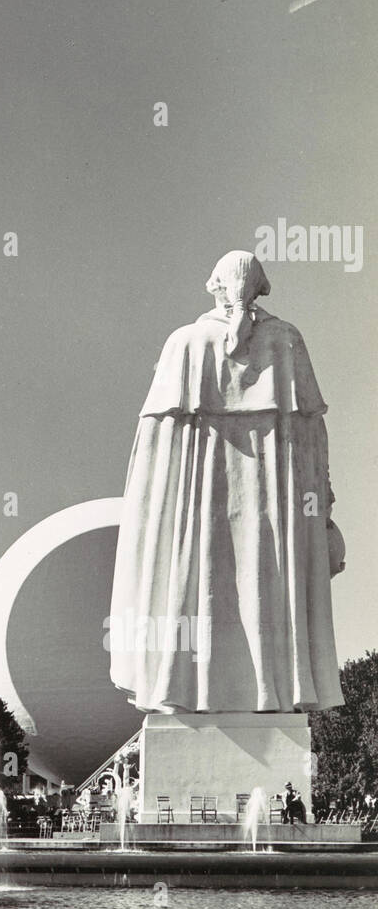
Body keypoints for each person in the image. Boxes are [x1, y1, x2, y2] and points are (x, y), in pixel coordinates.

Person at [109, 251, 345, 714]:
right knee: (267, 582)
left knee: (194, 581)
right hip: (275, 510)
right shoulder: (287, 340)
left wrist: (148, 523)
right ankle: (271, 692)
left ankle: (181, 691)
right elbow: (314, 443)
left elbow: (153, 454)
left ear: (215, 286)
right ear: (260, 288)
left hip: (194, 511)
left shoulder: (185, 344)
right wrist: (323, 511)